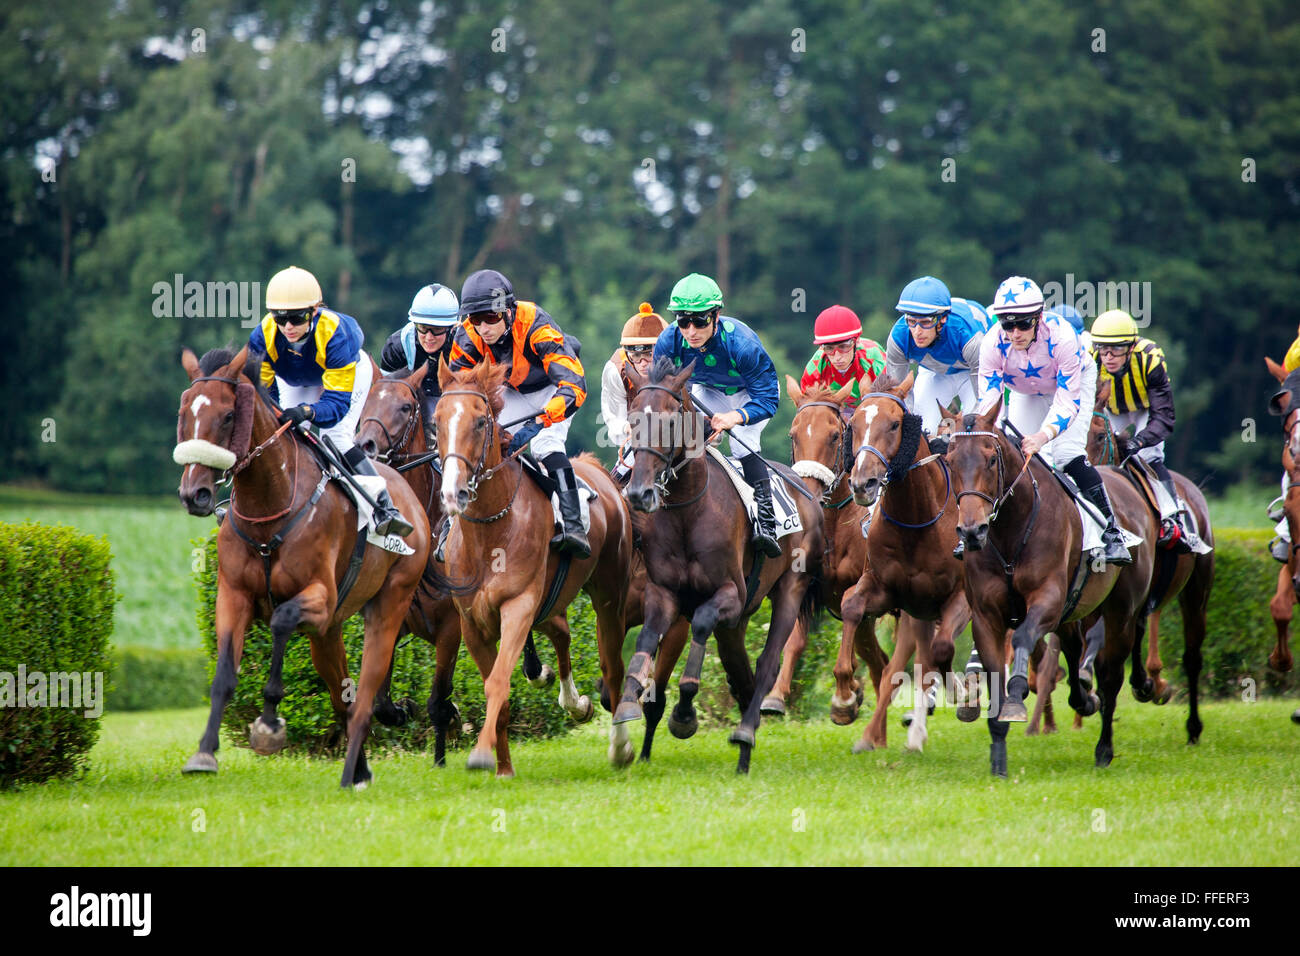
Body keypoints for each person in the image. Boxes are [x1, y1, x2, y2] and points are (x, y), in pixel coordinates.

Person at [973, 275, 1130, 565]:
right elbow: (990, 399)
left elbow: (1067, 402)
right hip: (1025, 391)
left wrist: (1042, 435)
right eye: (1008, 324)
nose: (1015, 332)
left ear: (1039, 317)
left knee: (1065, 453)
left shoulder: (1062, 336)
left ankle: (1112, 531)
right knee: (1016, 458)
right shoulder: (992, 342)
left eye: (1023, 323)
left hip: (1070, 387)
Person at [248, 265, 413, 536]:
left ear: (314, 311)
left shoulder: (336, 335)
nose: (288, 326)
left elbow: (336, 406)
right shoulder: (262, 336)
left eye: (297, 317)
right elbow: (262, 395)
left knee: (334, 437)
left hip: (345, 373)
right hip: (295, 379)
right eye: (280, 317)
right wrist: (281, 416)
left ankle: (385, 506)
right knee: (279, 432)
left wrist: (306, 411)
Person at [447, 268, 591, 558]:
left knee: (544, 444)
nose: (484, 328)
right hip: (511, 391)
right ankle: (449, 528)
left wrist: (541, 421)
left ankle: (573, 523)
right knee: (472, 444)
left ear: (509, 312)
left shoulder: (536, 325)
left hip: (553, 389)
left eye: (491, 318)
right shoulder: (467, 336)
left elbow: (575, 385)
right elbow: (456, 393)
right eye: (476, 320)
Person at [651, 272, 782, 558]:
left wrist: (734, 416)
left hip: (751, 394)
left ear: (717, 315)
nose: (691, 331)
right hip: (707, 389)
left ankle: (766, 521)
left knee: (741, 441)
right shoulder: (668, 341)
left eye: (699, 320)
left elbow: (770, 399)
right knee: (684, 432)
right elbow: (660, 392)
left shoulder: (743, 345)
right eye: (683, 321)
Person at [1089, 308, 1196, 553]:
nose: (1108, 356)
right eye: (1103, 348)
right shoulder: (1090, 359)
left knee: (1149, 456)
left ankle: (1173, 518)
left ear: (1130, 346)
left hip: (1145, 409)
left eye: (1116, 349)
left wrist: (1139, 442)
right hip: (1111, 409)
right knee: (1092, 454)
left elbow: (1164, 417)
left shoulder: (1150, 358)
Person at [884, 276, 989, 436]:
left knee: (972, 430)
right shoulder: (898, 337)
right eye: (912, 321)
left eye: (925, 322)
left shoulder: (968, 337)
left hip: (973, 372)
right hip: (933, 371)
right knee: (921, 431)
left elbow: (984, 400)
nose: (917, 331)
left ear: (943, 319)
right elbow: (898, 395)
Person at [602, 302, 668, 483]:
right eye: (636, 356)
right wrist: (626, 427)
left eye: (649, 354)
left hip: (680, 436)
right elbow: (613, 418)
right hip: (640, 440)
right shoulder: (615, 370)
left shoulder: (679, 361)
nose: (643, 363)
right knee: (617, 486)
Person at [799, 305, 886, 419]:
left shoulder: (874, 357)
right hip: (833, 421)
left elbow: (890, 406)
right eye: (829, 348)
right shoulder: (814, 367)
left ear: (857, 341)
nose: (837, 357)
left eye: (843, 347)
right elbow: (808, 416)